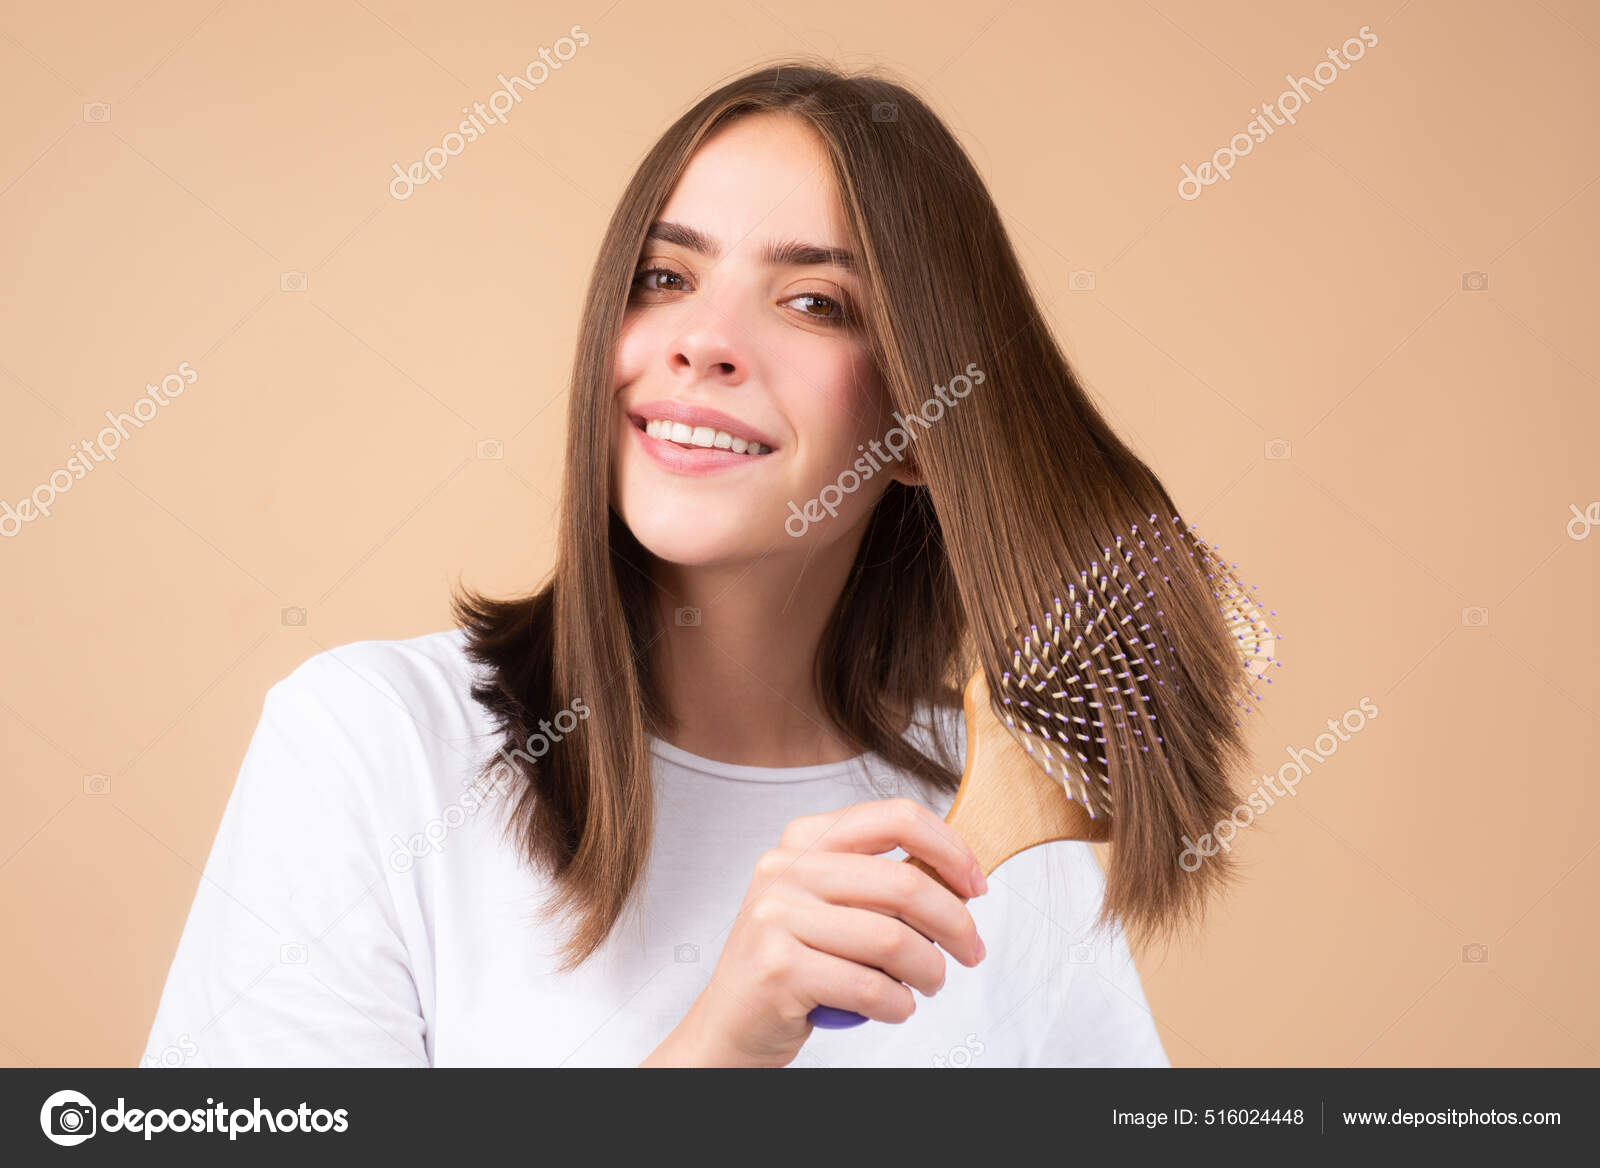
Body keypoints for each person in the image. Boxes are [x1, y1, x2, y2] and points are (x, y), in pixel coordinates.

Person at [142, 62, 1175, 1068]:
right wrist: (720, 1049)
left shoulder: (1005, 820)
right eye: (664, 278)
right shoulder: (372, 746)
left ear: (917, 421)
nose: (702, 341)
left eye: (815, 301)